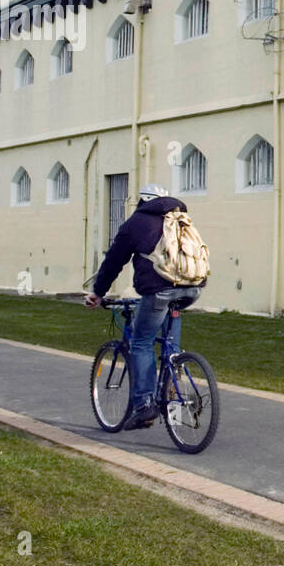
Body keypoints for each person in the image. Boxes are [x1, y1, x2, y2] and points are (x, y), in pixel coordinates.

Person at [85, 183, 202, 429]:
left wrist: (98, 292)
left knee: (141, 342)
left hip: (159, 291)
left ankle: (144, 405)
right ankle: (178, 409)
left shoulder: (136, 222)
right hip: (191, 289)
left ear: (141, 201)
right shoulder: (180, 217)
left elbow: (114, 261)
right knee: (171, 348)